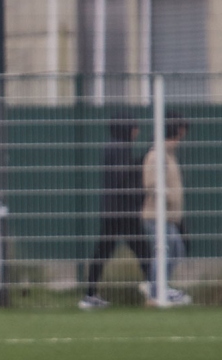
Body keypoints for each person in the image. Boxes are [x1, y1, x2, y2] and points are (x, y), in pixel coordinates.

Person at [79, 112, 154, 310]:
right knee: (142, 250)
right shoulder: (119, 148)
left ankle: (90, 293)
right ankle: (156, 289)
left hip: (113, 209)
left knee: (107, 251)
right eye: (134, 127)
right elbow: (123, 178)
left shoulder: (116, 146)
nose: (137, 131)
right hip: (122, 210)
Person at [140, 111, 192, 306]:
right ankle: (155, 292)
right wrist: (169, 198)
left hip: (169, 216)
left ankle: (158, 287)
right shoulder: (157, 155)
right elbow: (151, 183)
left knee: (177, 250)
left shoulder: (168, 155)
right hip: (156, 216)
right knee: (165, 251)